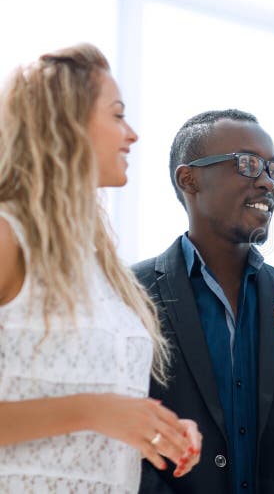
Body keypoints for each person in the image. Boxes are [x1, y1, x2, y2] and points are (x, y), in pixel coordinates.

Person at [0, 43, 201, 493]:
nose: (132, 134)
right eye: (116, 115)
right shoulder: (6, 236)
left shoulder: (99, 266)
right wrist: (95, 411)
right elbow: (92, 408)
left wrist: (149, 427)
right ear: (65, 123)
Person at [134, 109, 274, 493]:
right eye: (249, 165)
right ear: (189, 179)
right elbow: (119, 442)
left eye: (273, 170)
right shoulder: (131, 294)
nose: (268, 183)